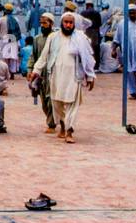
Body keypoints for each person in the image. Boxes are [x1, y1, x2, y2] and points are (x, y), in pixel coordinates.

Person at [30, 11, 96, 144]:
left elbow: (88, 58)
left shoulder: (81, 38)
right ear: (61, 23)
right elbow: (44, 56)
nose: (68, 25)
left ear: (74, 24)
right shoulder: (53, 37)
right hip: (55, 76)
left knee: (73, 104)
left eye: (71, 22)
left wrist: (90, 76)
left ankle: (70, 131)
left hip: (74, 77)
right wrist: (36, 70)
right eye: (66, 22)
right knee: (56, 103)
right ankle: (62, 125)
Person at [28, 14, 56, 132]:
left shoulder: (56, 38)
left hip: (53, 73)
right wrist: (30, 70)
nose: (42, 26)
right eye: (41, 23)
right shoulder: (37, 39)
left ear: (51, 24)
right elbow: (33, 56)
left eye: (45, 23)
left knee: (51, 100)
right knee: (44, 100)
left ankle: (52, 124)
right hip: (40, 74)